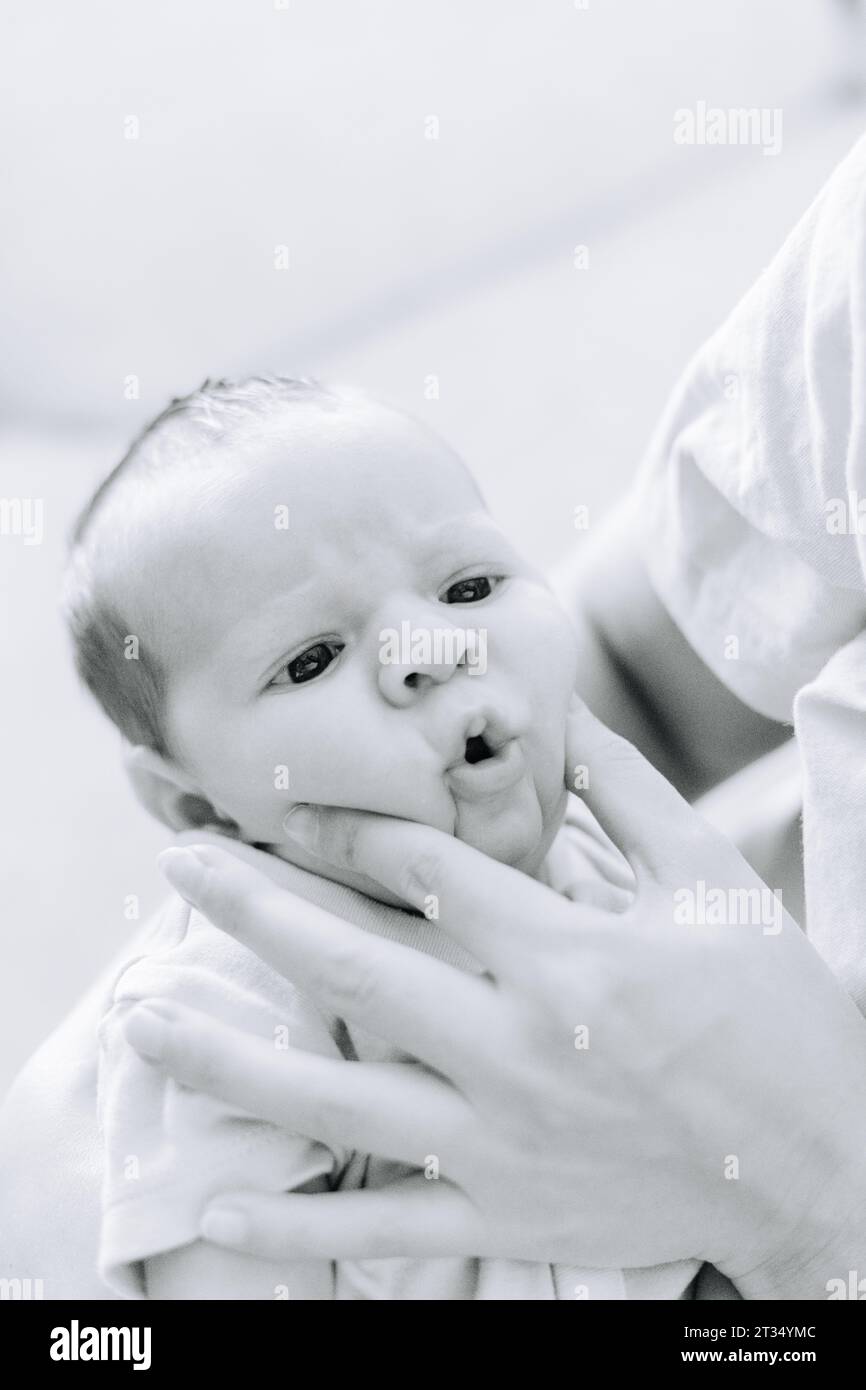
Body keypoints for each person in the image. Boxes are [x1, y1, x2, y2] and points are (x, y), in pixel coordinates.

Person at [120, 126, 866, 1298]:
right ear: (185, 799)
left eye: (467, 590)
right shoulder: (230, 1000)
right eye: (312, 656)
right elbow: (645, 642)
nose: (429, 650)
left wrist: (817, 1220)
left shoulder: (629, 883)